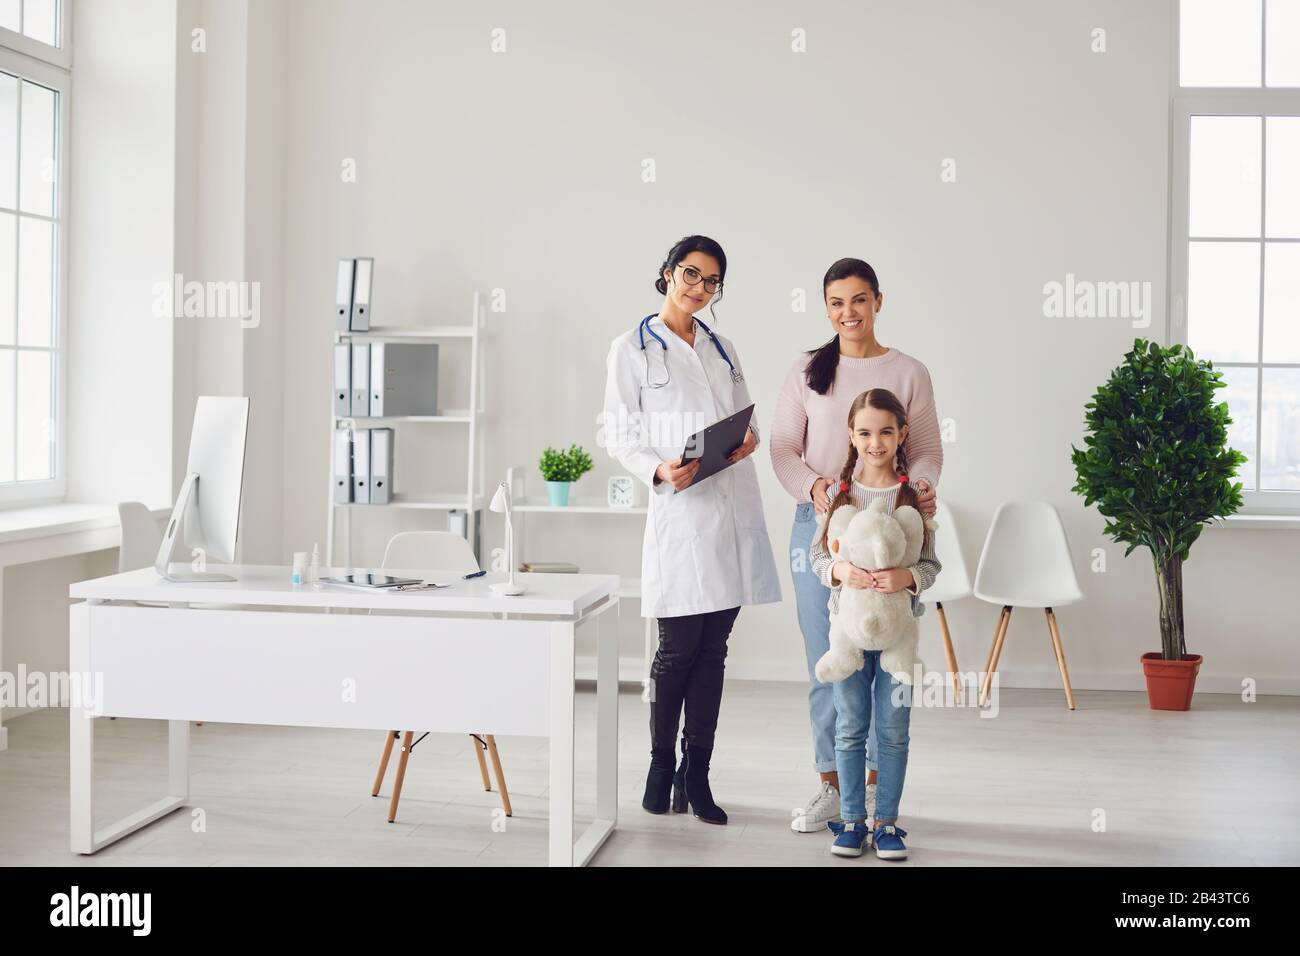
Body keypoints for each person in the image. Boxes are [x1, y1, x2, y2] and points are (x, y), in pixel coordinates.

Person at [601, 234, 782, 825]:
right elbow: (618, 432)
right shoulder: (630, 348)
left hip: (731, 509)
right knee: (676, 651)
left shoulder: (723, 348)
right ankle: (660, 768)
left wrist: (749, 440)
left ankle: (696, 775)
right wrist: (658, 470)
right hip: (681, 512)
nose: (700, 288)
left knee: (713, 651)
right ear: (668, 272)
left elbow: (747, 419)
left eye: (711, 281)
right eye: (691, 273)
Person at [768, 258, 942, 833]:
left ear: (878, 301)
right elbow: (783, 449)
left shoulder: (909, 371)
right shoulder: (806, 371)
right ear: (826, 308)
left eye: (860, 299)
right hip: (822, 526)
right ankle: (831, 785)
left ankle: (871, 794)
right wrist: (815, 488)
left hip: (893, 525)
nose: (849, 312)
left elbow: (927, 451)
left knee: (886, 653)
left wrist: (918, 491)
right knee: (830, 657)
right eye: (837, 303)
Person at [810, 388, 940, 859]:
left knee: (894, 730)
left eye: (886, 432)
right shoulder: (838, 495)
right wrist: (840, 571)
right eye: (865, 433)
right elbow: (818, 557)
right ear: (851, 435)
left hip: (898, 636)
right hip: (846, 632)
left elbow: (930, 565)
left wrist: (907, 577)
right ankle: (851, 821)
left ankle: (886, 824)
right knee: (849, 727)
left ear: (902, 434)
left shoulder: (914, 499)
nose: (875, 443)